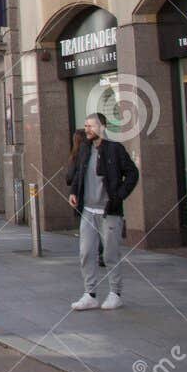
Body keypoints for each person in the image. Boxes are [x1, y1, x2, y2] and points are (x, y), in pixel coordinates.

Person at [67, 112, 139, 310]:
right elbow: (78, 175)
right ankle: (90, 294)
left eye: (90, 126)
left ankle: (115, 293)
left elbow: (133, 173)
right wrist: (74, 192)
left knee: (110, 254)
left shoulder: (115, 149)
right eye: (86, 125)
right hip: (88, 211)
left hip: (109, 211)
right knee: (86, 253)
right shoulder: (84, 149)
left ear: (102, 127)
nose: (87, 129)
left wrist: (119, 195)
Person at [66, 129, 104, 267]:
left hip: (85, 196)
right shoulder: (86, 154)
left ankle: (96, 252)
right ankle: (100, 252)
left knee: (90, 226)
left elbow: (70, 177)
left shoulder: (76, 155)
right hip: (89, 196)